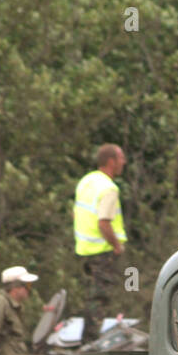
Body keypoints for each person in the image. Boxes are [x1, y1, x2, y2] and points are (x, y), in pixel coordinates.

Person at [74, 143, 127, 342]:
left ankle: (85, 340)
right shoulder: (109, 188)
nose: (124, 162)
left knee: (88, 297)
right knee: (99, 299)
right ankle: (90, 343)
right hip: (102, 252)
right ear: (111, 161)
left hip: (84, 250)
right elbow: (104, 223)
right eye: (121, 158)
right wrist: (116, 245)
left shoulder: (86, 182)